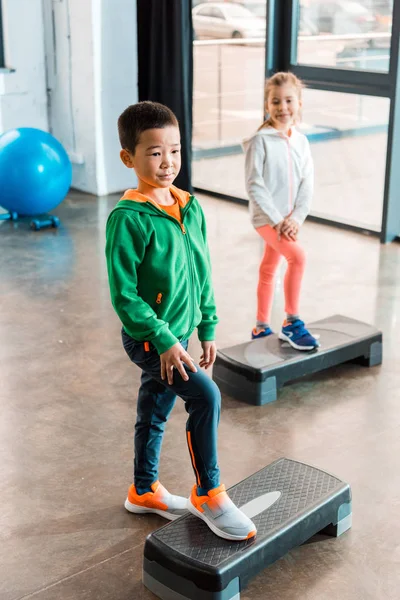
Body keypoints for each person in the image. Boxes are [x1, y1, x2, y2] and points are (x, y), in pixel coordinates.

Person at [105, 101, 256, 541]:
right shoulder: (128, 219)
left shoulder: (189, 206)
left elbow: (201, 270)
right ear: (128, 158)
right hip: (150, 338)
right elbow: (124, 294)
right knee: (205, 397)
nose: (167, 161)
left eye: (174, 150)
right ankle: (208, 493)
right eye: (154, 152)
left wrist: (206, 325)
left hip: (180, 333)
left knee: (154, 408)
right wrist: (164, 339)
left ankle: (145, 489)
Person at [244, 71, 320, 351]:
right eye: (276, 101)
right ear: (267, 105)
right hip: (266, 218)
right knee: (297, 257)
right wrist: (277, 221)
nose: (283, 107)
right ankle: (291, 322)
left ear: (299, 103)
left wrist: (296, 219)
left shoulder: (301, 142)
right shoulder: (259, 140)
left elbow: (307, 185)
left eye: (289, 100)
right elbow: (254, 185)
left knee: (269, 267)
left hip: (289, 221)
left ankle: (261, 326)